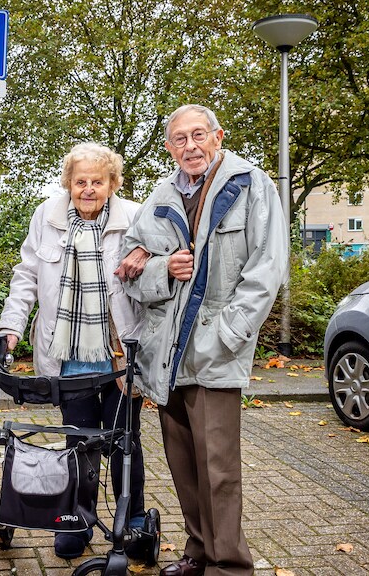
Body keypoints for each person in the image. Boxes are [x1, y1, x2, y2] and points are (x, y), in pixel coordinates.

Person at [115, 104, 288, 576]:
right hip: (167, 353)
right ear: (169, 147)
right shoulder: (159, 195)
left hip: (214, 350)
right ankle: (198, 554)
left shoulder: (252, 185)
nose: (189, 146)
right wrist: (161, 269)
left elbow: (267, 270)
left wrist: (229, 334)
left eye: (198, 135)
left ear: (217, 137)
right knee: (185, 468)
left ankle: (229, 566)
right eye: (179, 139)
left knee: (219, 471)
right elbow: (127, 272)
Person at [0, 142, 148, 560]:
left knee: (124, 440)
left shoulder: (135, 217)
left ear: (113, 183)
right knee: (79, 443)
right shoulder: (45, 216)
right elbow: (26, 276)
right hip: (70, 354)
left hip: (119, 353)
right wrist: (11, 327)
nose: (88, 189)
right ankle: (77, 521)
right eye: (80, 181)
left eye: (98, 181)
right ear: (68, 182)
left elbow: (153, 276)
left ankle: (132, 522)